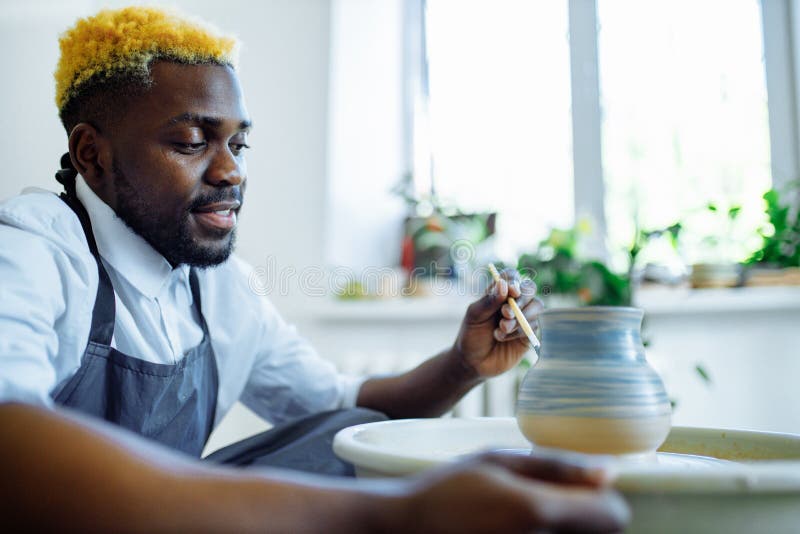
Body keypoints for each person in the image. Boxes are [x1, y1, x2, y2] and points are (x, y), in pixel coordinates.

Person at [0, 6, 629, 532]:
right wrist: (396, 514)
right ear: (92, 155)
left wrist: (463, 365)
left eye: (238, 144)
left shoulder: (216, 286)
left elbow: (342, 403)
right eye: (192, 142)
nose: (232, 172)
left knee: (350, 433)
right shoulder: (34, 248)